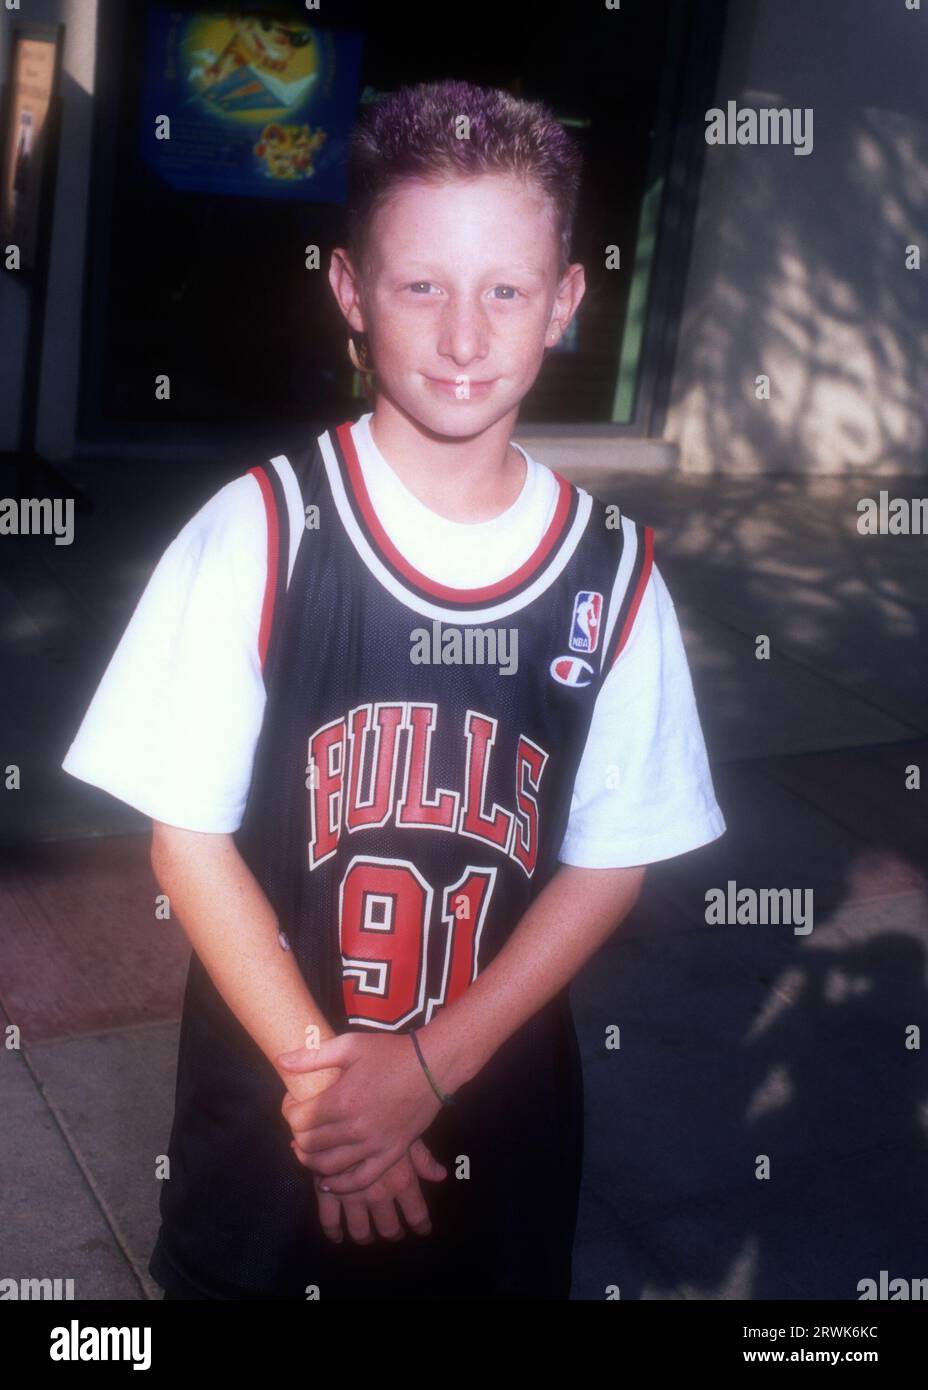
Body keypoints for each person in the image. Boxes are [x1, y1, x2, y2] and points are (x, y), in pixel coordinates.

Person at [62, 78, 726, 1300]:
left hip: (495, 1119)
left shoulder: (614, 576)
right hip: (273, 1122)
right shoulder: (260, 531)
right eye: (421, 285)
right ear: (351, 290)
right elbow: (186, 842)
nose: (465, 337)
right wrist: (330, 1091)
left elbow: (611, 856)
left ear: (567, 300)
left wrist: (425, 1066)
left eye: (506, 291)